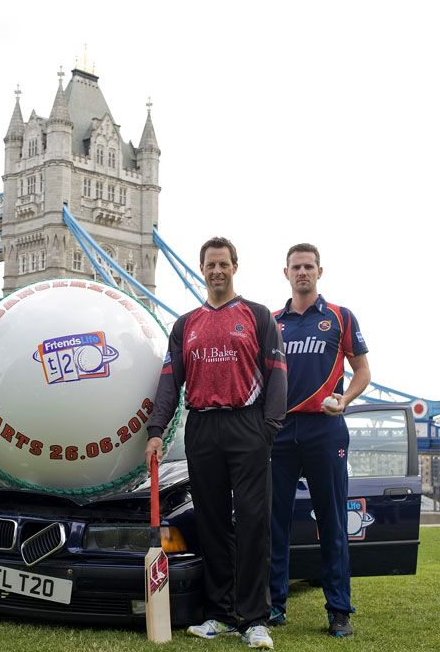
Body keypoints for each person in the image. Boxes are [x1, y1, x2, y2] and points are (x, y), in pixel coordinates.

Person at [145, 237, 286, 649]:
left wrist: (268, 428)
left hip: (248, 427)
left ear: (235, 267)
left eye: (223, 264)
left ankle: (255, 618)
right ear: (202, 269)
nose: (216, 271)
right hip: (202, 428)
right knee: (213, 524)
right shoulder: (185, 324)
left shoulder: (258, 316)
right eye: (210, 265)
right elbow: (170, 382)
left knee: (254, 522)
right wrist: (156, 430)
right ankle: (220, 614)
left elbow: (278, 377)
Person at [268, 243, 370, 638]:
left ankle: (339, 610)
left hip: (325, 429)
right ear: (286, 273)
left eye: (309, 266)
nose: (303, 273)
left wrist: (344, 399)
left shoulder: (340, 317)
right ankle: (274, 605)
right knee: (274, 523)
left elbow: (363, 371)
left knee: (332, 522)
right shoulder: (271, 321)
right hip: (280, 431)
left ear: (319, 272)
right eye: (296, 267)